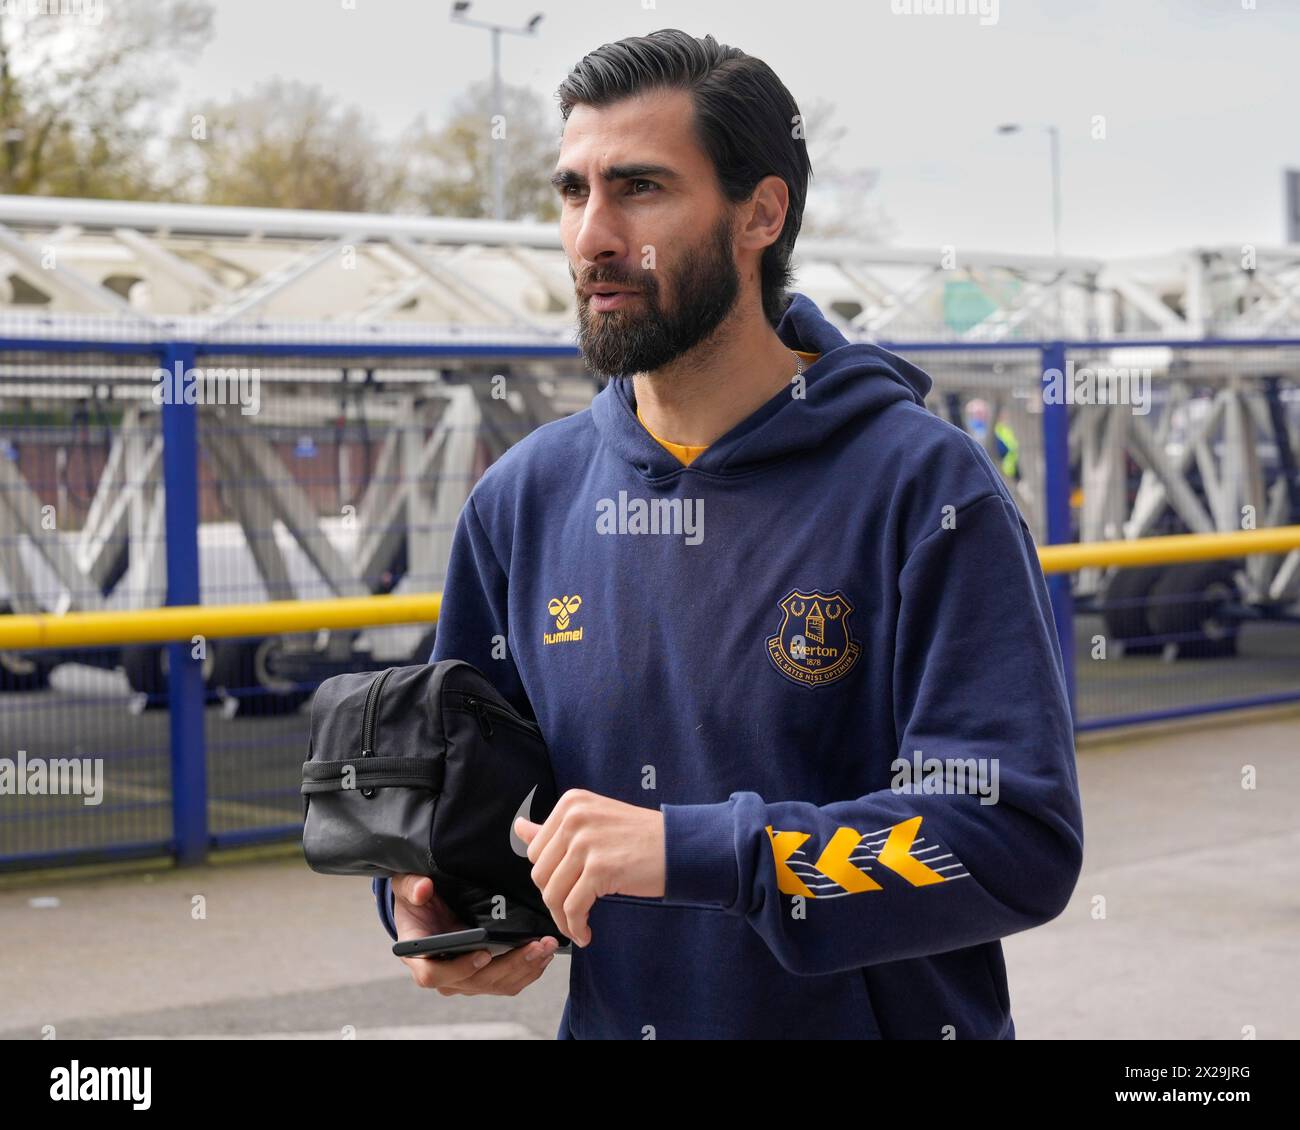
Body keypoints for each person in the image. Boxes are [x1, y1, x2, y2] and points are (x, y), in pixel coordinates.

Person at [373, 28, 1083, 1039]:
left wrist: (707, 852)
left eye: (641, 189)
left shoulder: (922, 485)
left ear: (760, 213)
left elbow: (1010, 838)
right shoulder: (523, 499)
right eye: (573, 191)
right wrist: (435, 901)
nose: (593, 236)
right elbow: (472, 800)